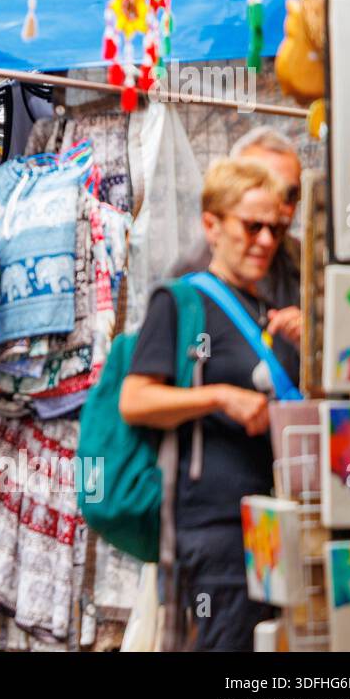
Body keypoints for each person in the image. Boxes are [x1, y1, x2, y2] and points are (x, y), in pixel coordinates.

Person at [121, 158, 296, 651]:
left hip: (272, 522)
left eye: (275, 228)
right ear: (211, 225)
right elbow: (135, 400)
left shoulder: (267, 309)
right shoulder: (180, 301)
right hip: (214, 529)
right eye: (252, 226)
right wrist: (220, 397)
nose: (266, 240)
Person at [168, 126, 303, 343]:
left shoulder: (302, 259)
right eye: (262, 185)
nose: (276, 204)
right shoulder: (191, 275)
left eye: (290, 193)